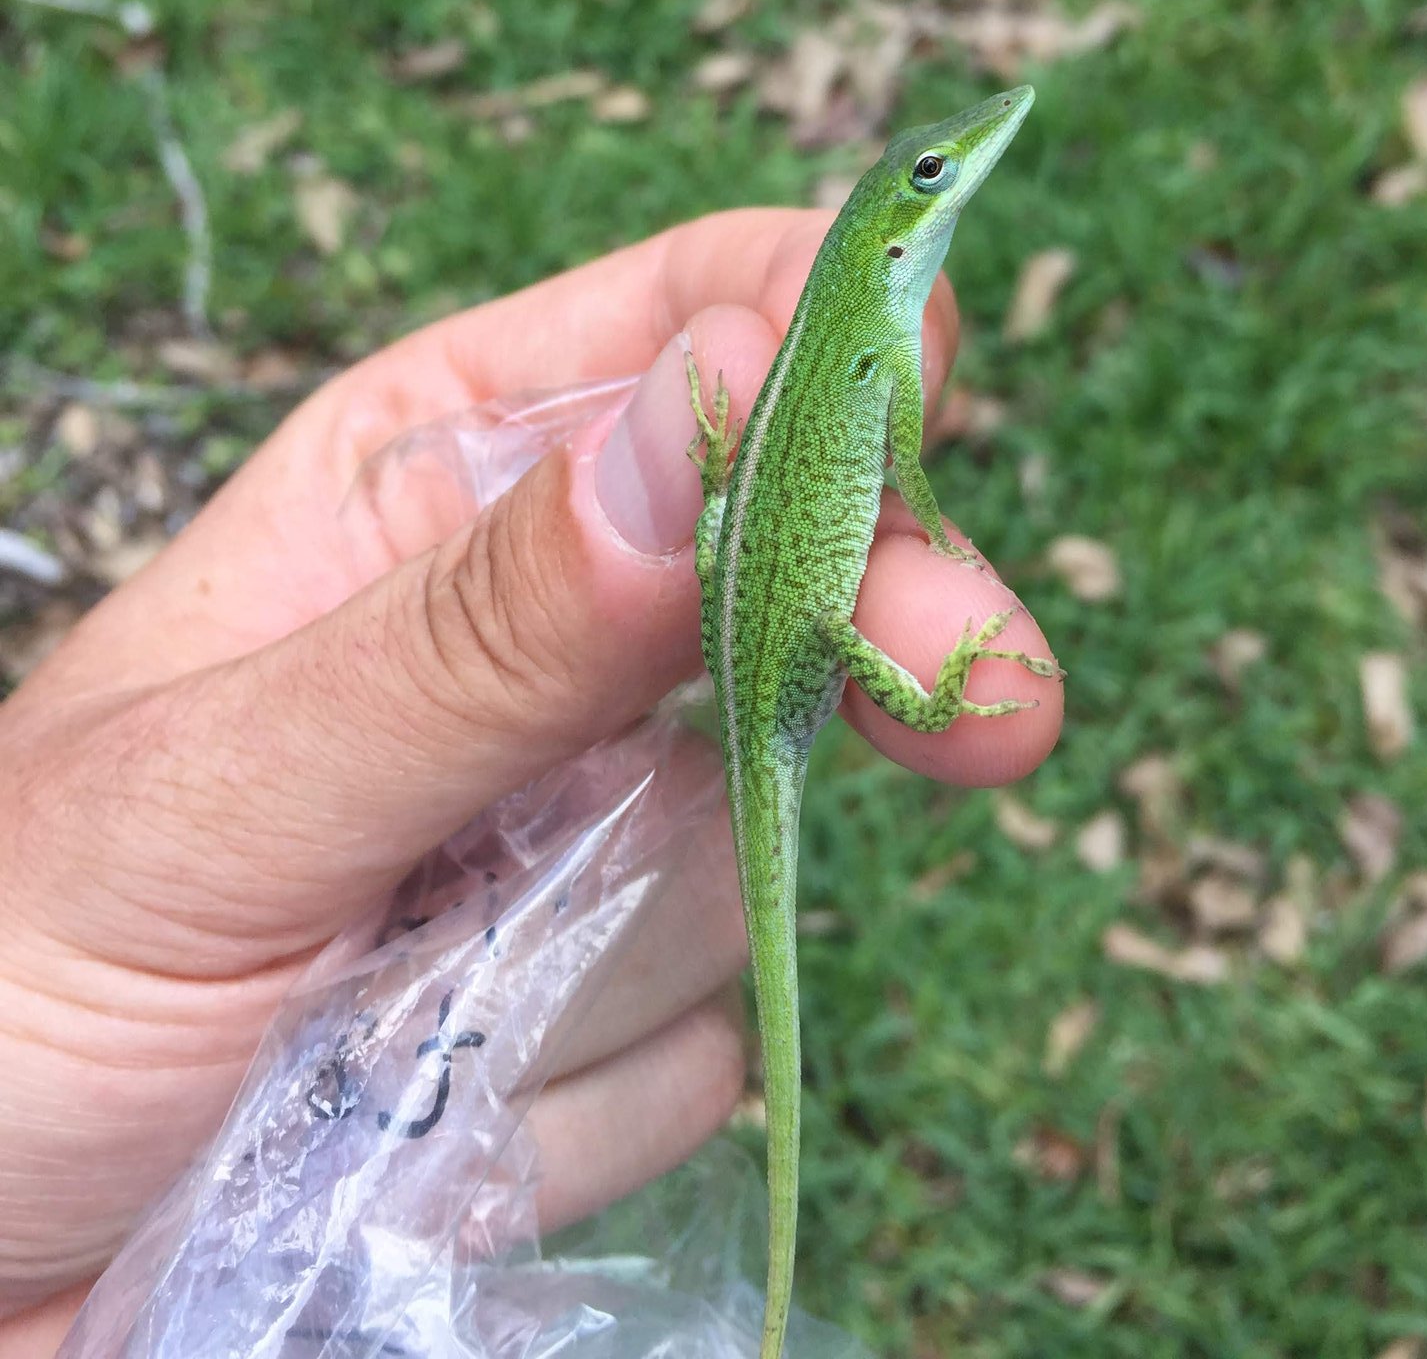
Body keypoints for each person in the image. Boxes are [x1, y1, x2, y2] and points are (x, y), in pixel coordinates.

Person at [0, 207, 1061, 1358]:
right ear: (890, 245)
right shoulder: (863, 345)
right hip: (780, 653)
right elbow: (903, 470)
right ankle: (933, 692)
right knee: (802, 699)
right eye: (933, 176)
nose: (961, 181)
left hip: (766, 645)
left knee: (717, 965)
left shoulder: (854, 337)